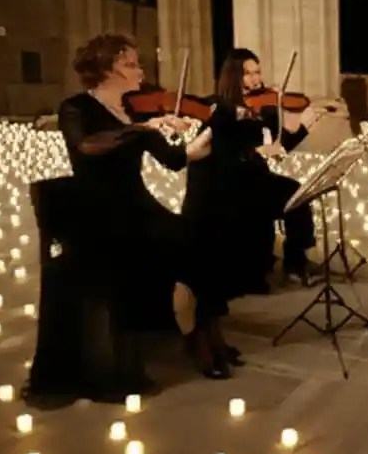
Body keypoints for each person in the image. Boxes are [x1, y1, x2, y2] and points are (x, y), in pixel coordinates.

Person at [43, 32, 232, 384]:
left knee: (204, 239)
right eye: (130, 63)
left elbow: (175, 159)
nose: (140, 70)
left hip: (137, 204)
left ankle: (208, 333)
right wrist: (143, 128)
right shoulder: (76, 108)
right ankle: (198, 340)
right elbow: (87, 146)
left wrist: (208, 135)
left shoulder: (134, 109)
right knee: (179, 244)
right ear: (104, 69)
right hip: (99, 211)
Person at [182, 48, 322, 300]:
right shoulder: (218, 107)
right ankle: (268, 264)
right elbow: (224, 152)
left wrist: (301, 128)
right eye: (248, 74)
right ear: (233, 76)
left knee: (298, 192)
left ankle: (295, 259)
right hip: (225, 182)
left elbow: (280, 147)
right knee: (273, 197)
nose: (255, 79)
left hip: (251, 176)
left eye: (257, 72)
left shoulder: (264, 108)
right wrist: (254, 145)